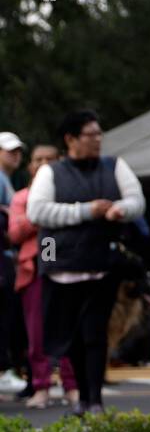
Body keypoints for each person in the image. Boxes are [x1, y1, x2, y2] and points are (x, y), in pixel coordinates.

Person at [28, 110, 146, 416]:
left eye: (98, 133)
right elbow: (37, 213)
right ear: (71, 139)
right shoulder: (51, 173)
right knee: (67, 336)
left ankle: (93, 399)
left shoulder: (115, 166)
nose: (97, 139)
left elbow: (137, 201)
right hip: (60, 264)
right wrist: (85, 211)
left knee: (95, 332)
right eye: (90, 134)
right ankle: (78, 393)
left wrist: (119, 209)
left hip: (101, 263)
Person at [6, 143, 78, 408]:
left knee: (68, 329)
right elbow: (14, 233)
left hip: (65, 264)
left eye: (50, 158)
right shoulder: (22, 197)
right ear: (31, 166)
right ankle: (41, 386)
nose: (44, 163)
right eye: (39, 159)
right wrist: (41, 213)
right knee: (36, 333)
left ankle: (72, 386)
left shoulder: (69, 192)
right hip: (36, 265)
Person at [0, 132, 25, 395]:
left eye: (18, 151)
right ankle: (5, 370)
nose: (15, 155)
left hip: (14, 258)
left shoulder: (9, 181)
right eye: (9, 150)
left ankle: (11, 369)